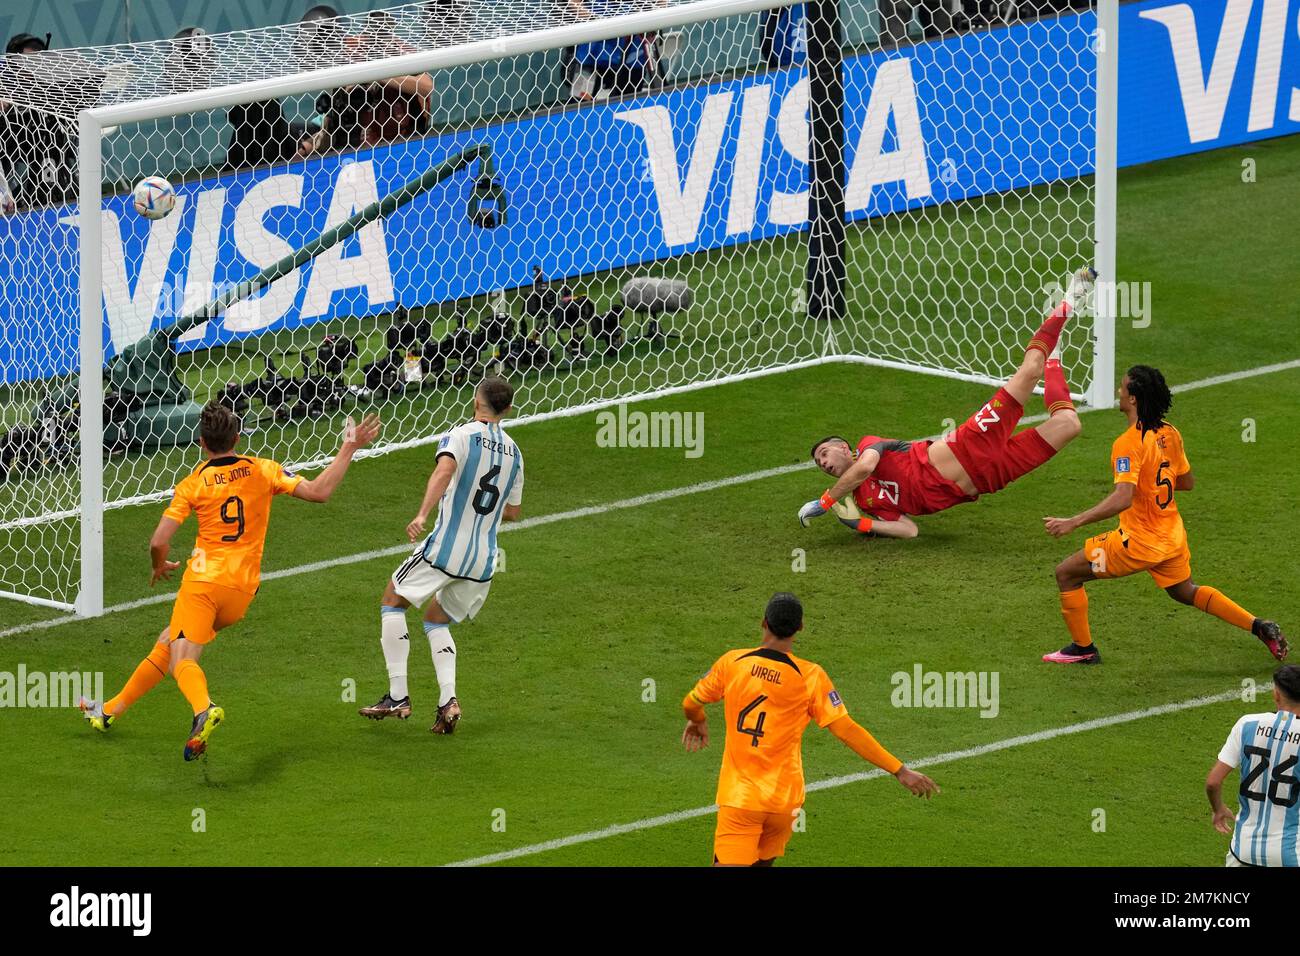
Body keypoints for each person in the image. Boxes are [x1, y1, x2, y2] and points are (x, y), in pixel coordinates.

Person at [79, 402, 381, 760]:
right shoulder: (264, 469)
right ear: (237, 438)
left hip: (204, 585)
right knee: (169, 640)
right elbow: (319, 492)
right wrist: (349, 447)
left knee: (181, 660)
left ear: (201, 442)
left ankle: (203, 709)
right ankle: (109, 711)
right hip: (241, 592)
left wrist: (159, 565)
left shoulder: (193, 483)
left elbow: (158, 541)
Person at [800, 267, 1092, 539]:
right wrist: (860, 523)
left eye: (824, 454)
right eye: (818, 463)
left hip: (969, 444)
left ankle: (1069, 299)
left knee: (1030, 372)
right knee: (1068, 424)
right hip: (989, 478)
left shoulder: (868, 447)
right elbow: (908, 530)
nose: (822, 463)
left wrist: (825, 502)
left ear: (844, 448)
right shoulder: (865, 501)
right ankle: (1054, 356)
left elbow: (864, 469)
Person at [1042, 365, 1288, 664]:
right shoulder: (1170, 432)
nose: (1119, 392)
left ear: (1133, 398)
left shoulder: (1127, 443)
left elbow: (1122, 498)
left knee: (1066, 573)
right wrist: (1152, 485)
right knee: (1184, 591)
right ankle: (1258, 626)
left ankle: (1083, 650)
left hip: (1137, 543)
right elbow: (1186, 482)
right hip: (1171, 538)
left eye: (1122, 388)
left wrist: (1074, 521)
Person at [682, 592, 939, 866]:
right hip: (785, 803)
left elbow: (691, 702)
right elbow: (846, 729)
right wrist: (900, 770)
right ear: (800, 628)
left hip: (741, 800)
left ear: (764, 622)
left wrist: (697, 720)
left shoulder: (733, 662)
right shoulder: (810, 676)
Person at [360, 377, 524, 733]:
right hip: (483, 561)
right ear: (508, 409)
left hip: (445, 550)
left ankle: (398, 696)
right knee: (436, 620)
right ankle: (448, 700)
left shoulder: (460, 436)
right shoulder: (516, 453)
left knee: (392, 601)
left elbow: (444, 470)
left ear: (476, 401)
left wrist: (422, 514)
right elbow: (513, 512)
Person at [1205, 664, 1300, 866]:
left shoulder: (1247, 724)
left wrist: (1218, 808)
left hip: (1242, 852)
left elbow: (1213, 782)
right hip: (1291, 854)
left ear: (1276, 694)